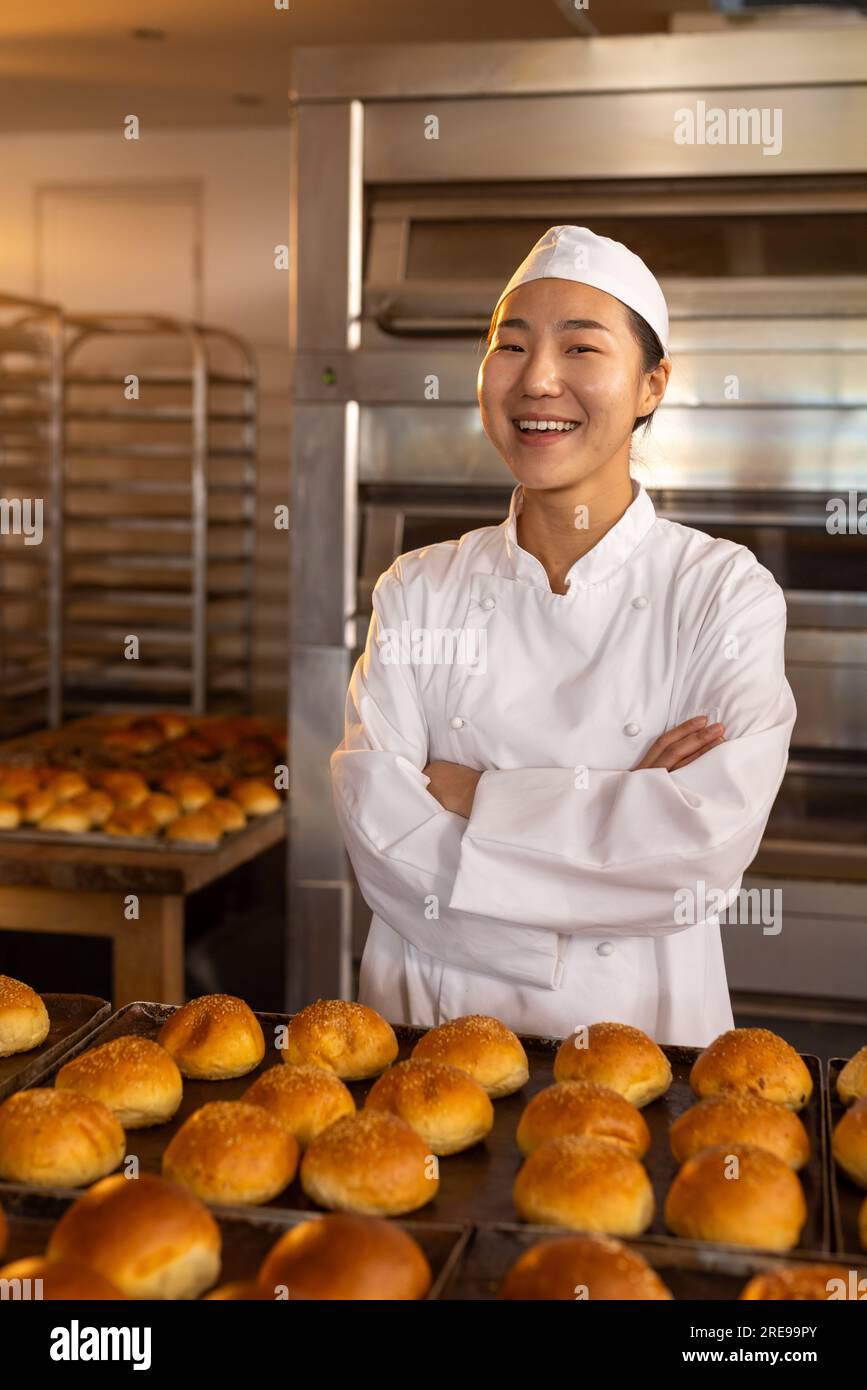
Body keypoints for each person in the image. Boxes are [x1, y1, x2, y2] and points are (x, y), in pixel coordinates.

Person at [330, 225, 796, 1046]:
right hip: (429, 1045)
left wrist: (478, 796)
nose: (537, 380)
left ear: (651, 385)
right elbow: (379, 839)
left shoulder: (721, 592)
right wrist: (620, 805)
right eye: (509, 346)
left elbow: (698, 852)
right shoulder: (417, 588)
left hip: (638, 1048)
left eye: (580, 348)